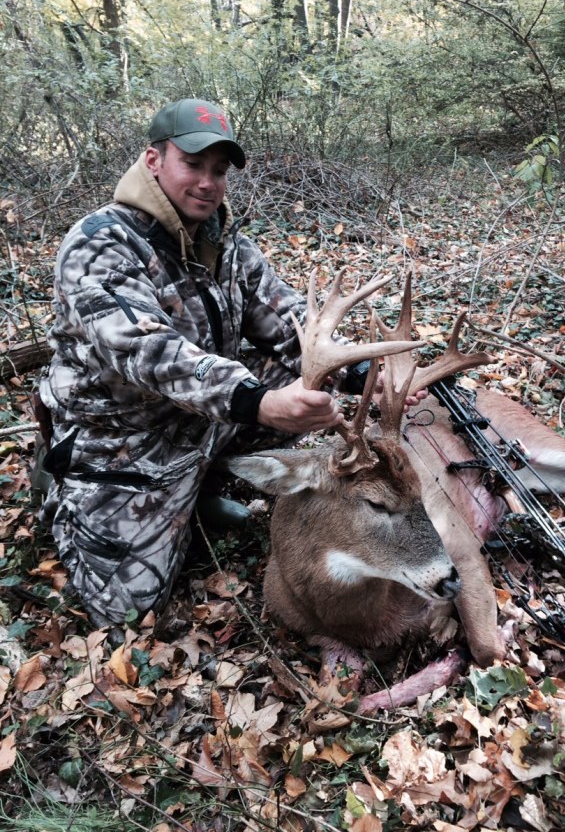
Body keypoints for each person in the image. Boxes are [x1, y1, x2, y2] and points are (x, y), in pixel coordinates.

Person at [37, 97, 371, 630]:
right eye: (192, 165)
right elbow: (144, 349)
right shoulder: (101, 243)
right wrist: (257, 403)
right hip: (125, 436)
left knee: (308, 390)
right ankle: (69, 495)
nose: (207, 182)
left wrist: (361, 376)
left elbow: (284, 318)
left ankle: (199, 483)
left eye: (218, 171)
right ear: (153, 160)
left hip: (204, 416)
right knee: (126, 610)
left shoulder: (225, 242)